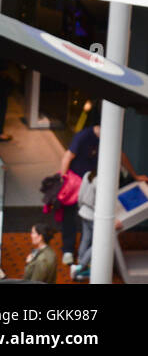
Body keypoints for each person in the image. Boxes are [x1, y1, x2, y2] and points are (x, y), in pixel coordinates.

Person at [57, 114, 146, 265]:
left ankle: (83, 259)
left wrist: (135, 175)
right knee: (72, 218)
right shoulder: (84, 136)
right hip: (78, 184)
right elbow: (67, 156)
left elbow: (121, 155)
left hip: (93, 184)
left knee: (88, 231)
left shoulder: (110, 136)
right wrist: (63, 180)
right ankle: (70, 251)